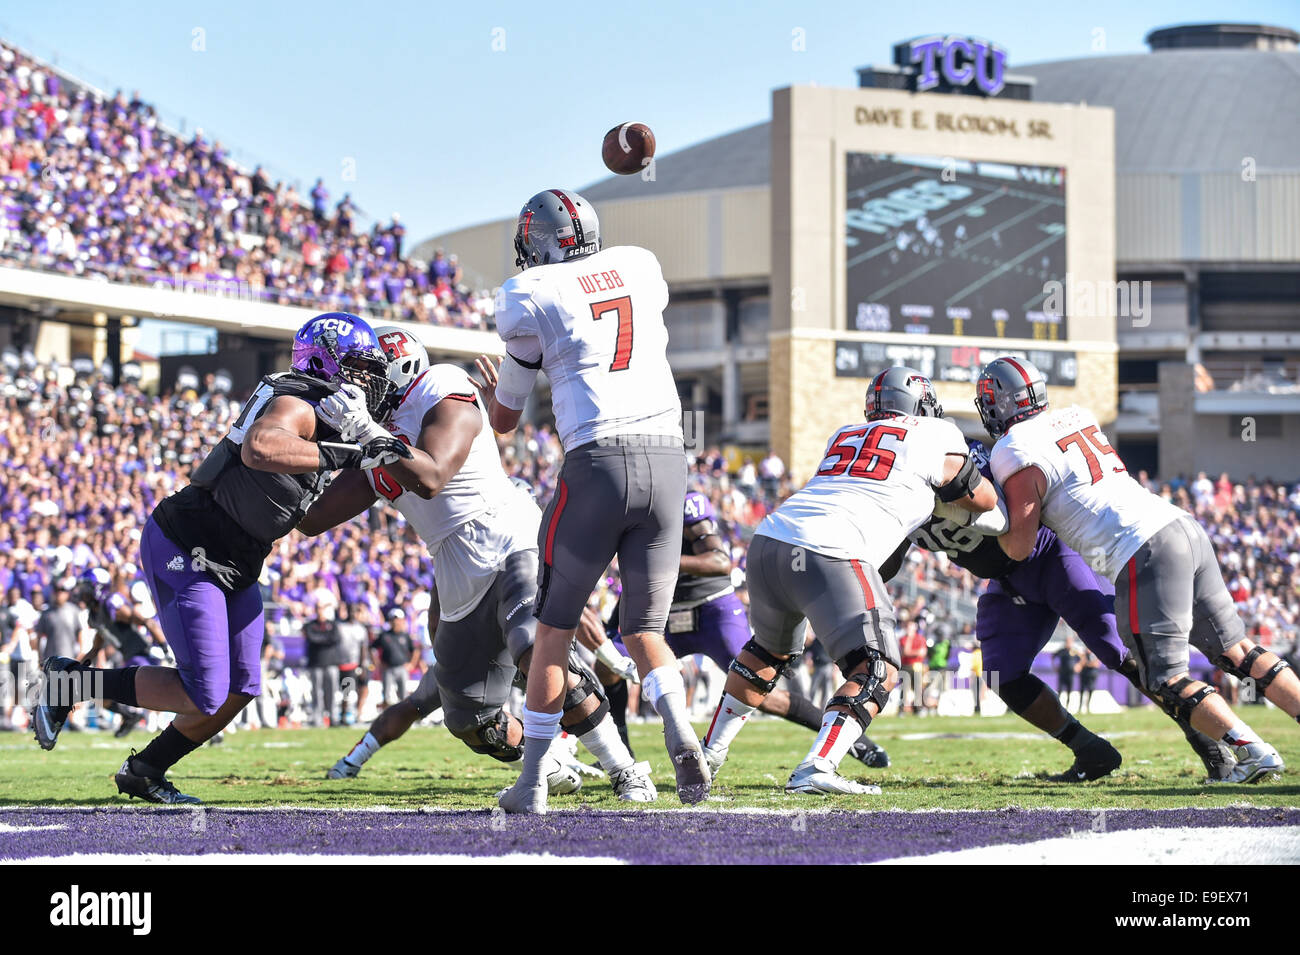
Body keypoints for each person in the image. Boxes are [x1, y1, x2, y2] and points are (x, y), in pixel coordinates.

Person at [31, 312, 412, 802]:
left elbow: (311, 522)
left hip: (237, 561)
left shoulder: (326, 415)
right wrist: (350, 456)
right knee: (203, 691)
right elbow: (260, 447)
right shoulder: (298, 401)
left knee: (241, 687)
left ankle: (145, 769)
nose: (367, 382)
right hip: (190, 546)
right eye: (357, 368)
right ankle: (72, 683)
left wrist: (376, 473)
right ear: (324, 361)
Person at [305, 325, 652, 803]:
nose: (361, 386)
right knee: (469, 717)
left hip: (508, 535)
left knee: (535, 650)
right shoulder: (374, 431)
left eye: (369, 374)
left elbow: (431, 476)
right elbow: (312, 519)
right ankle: (547, 762)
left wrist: (367, 433)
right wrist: (297, 456)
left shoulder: (442, 387)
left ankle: (625, 769)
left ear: (401, 370)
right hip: (453, 567)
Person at [475, 188, 703, 813]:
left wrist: (496, 389)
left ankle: (530, 785)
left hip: (597, 462)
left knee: (551, 631)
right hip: (669, 458)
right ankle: (680, 728)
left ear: (537, 240)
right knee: (644, 629)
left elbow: (505, 421)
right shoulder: (641, 264)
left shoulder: (529, 295)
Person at [982, 355, 1300, 783]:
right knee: (1239, 652)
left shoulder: (1011, 450)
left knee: (1165, 678)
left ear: (996, 404)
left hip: (1141, 550)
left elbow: (1019, 547)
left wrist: (981, 526)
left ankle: (1251, 752)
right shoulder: (1076, 417)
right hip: (1182, 526)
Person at [701, 366, 999, 794]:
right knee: (877, 669)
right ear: (920, 405)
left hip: (770, 542)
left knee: (763, 656)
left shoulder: (843, 435)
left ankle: (707, 757)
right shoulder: (937, 433)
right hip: (832, 549)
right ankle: (817, 766)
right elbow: (982, 499)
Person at [887, 437, 1234, 782]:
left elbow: (1007, 501)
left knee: (1120, 650)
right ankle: (1089, 749)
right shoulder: (892, 490)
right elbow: (888, 561)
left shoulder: (961, 455)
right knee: (1001, 673)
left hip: (1049, 553)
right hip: (1007, 580)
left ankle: (1206, 736)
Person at [583, 492, 891, 771]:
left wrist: (662, 562)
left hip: (712, 611)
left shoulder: (683, 503)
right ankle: (622, 750)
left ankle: (853, 740)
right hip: (665, 613)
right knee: (608, 665)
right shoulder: (626, 514)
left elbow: (719, 561)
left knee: (759, 690)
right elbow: (636, 577)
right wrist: (616, 621)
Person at [1055, 636, 1080, 711]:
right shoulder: (1062, 650)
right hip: (1062, 673)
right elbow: (1053, 657)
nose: (1069, 643)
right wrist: (1055, 666)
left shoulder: (1074, 650)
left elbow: (1082, 658)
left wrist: (1079, 665)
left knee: (1069, 690)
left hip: (1070, 674)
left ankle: (1067, 707)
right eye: (1068, 642)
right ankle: (1058, 706)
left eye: (1070, 642)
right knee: (1060, 690)